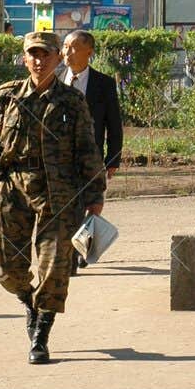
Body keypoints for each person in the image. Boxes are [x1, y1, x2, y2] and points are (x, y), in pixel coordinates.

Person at [0, 30, 105, 364]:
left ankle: (41, 334)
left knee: (55, 265)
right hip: (13, 187)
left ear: (57, 58)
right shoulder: (8, 97)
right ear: (24, 58)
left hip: (58, 190)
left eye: (46, 54)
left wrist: (94, 194)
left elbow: (88, 150)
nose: (39, 59)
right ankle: (28, 300)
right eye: (33, 54)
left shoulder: (72, 101)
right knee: (2, 264)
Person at [59, 30, 122, 271]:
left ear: (89, 52)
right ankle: (70, 259)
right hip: (61, 157)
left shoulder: (103, 84)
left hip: (92, 157)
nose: (67, 52)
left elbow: (113, 123)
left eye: (74, 47)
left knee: (93, 204)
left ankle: (85, 244)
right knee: (67, 205)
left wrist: (113, 157)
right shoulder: (54, 78)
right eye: (65, 46)